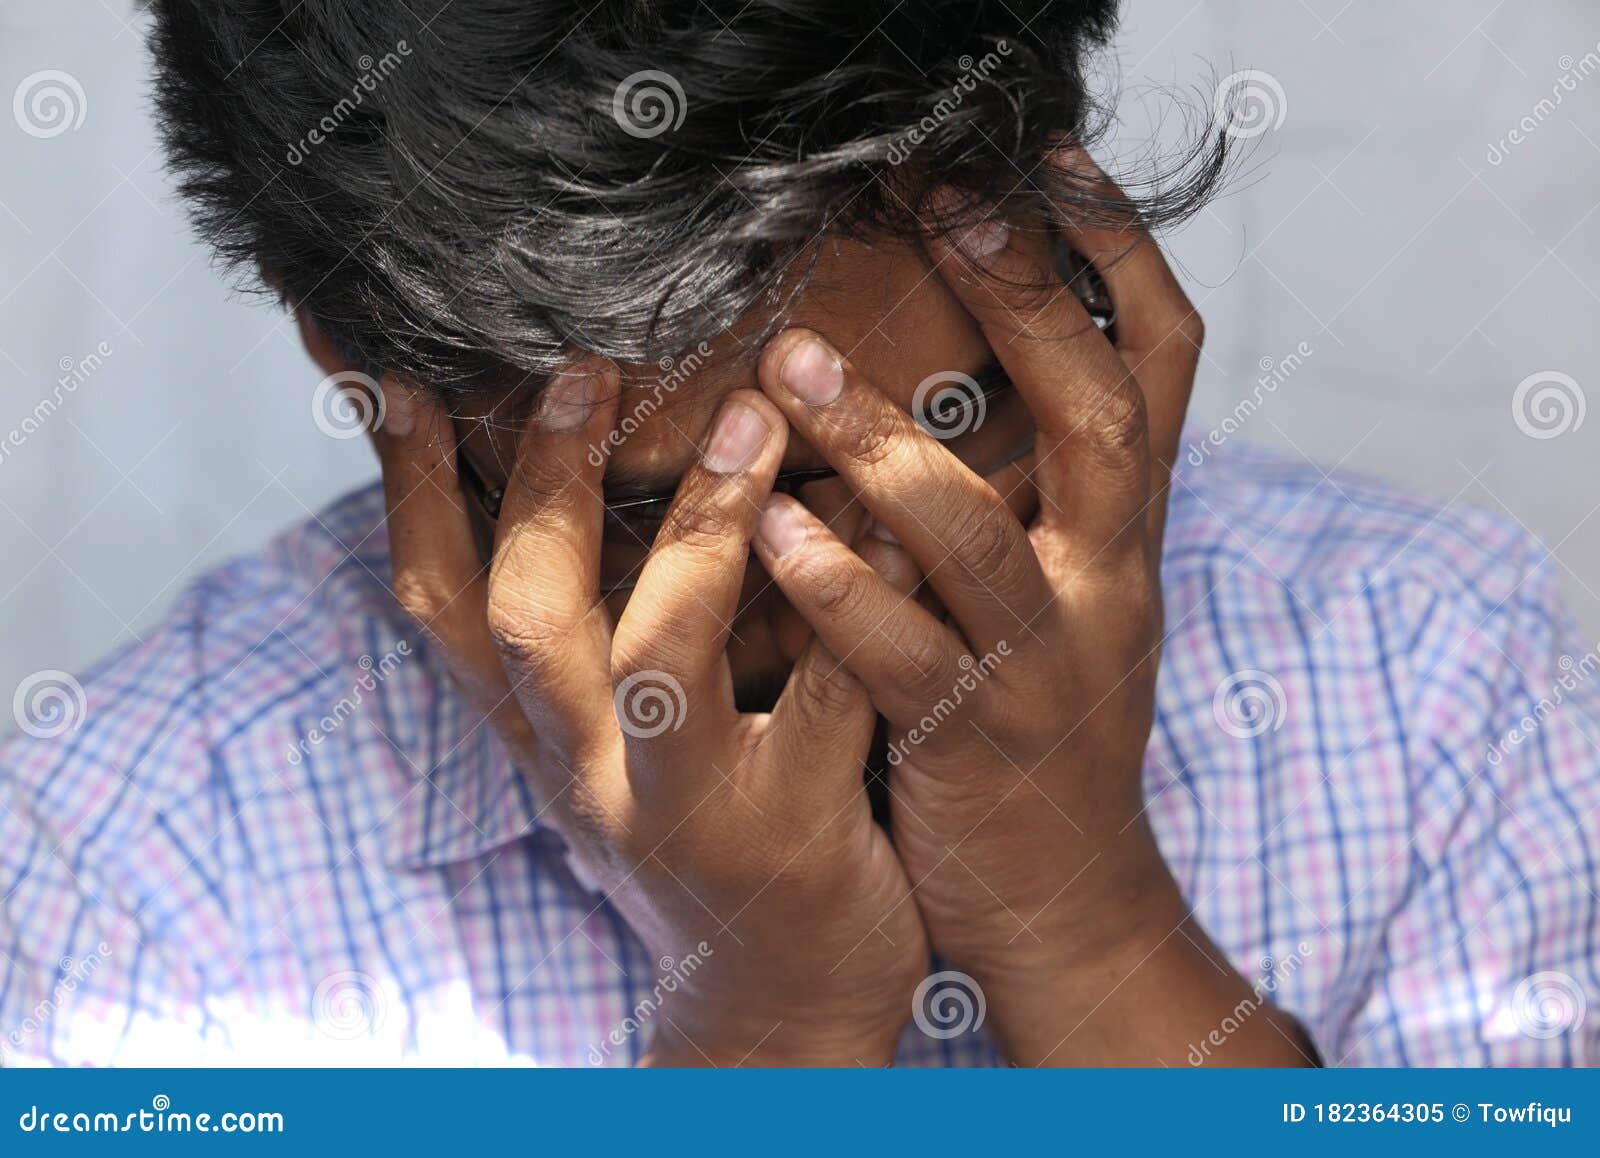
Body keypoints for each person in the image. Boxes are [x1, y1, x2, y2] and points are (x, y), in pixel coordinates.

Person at [2, 0, 1595, 1067]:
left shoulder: (1439, 670)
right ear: (371, 372)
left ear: (1073, 247)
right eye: (663, 514)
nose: (849, 601)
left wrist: (1090, 924)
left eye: (951, 435)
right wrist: (769, 1027)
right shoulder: (145, 869)